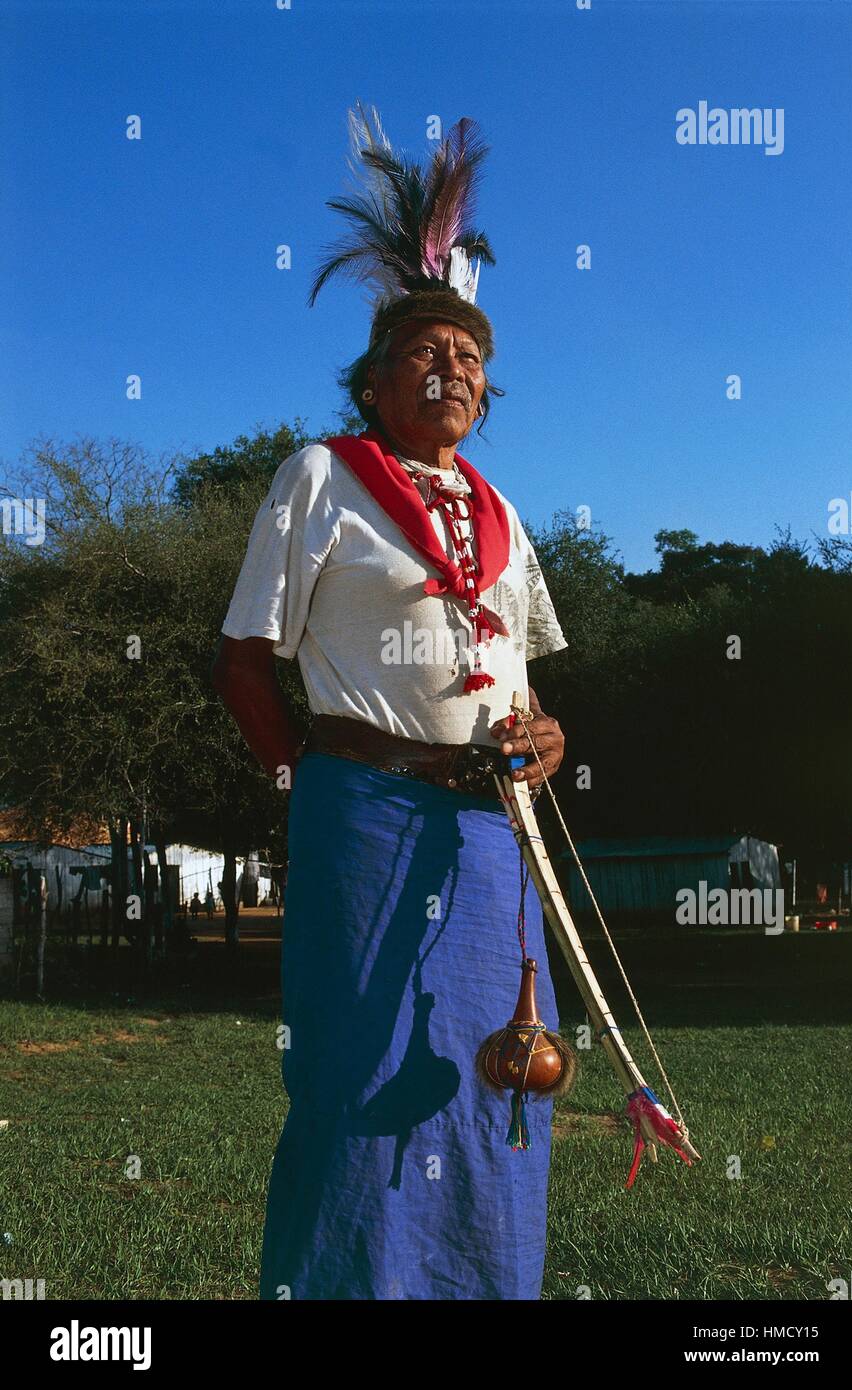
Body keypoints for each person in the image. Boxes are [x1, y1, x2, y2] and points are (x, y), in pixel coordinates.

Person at [212, 107, 568, 1301]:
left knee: (496, 1071)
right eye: (425, 350)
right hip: (360, 811)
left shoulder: (505, 514)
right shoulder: (319, 476)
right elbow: (244, 660)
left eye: (470, 358)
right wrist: (306, 781)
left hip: (491, 837)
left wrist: (548, 738)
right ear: (372, 379)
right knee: (358, 1068)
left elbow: (527, 681)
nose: (451, 369)